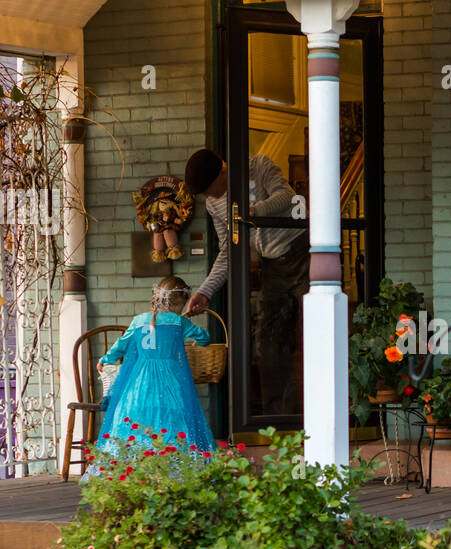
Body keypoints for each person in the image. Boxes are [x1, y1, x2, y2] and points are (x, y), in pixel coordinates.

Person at [183, 149, 309, 414]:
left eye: (209, 188)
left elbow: (287, 196)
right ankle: (278, 416)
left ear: (223, 172)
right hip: (272, 267)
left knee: (309, 334)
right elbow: (229, 250)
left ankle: (311, 410)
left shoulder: (260, 166)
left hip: (301, 254)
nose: (208, 196)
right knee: (269, 341)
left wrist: (251, 212)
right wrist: (205, 292)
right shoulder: (213, 204)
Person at [97, 276, 215, 454]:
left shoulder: (138, 321)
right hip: (170, 377)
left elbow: (121, 345)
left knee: (138, 412)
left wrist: (105, 360)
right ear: (179, 303)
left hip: (140, 379)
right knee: (172, 412)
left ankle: (135, 454)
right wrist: (190, 329)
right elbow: (204, 338)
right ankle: (171, 453)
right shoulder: (179, 322)